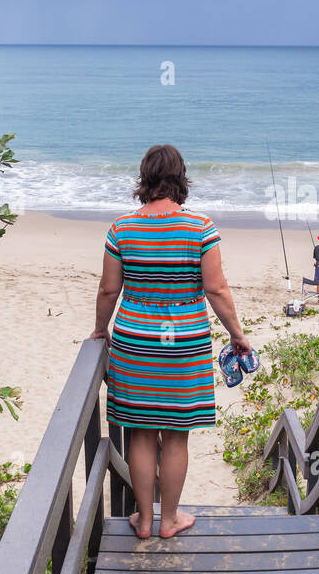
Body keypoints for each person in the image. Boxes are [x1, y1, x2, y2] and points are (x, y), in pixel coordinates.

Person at [89, 144, 251, 539]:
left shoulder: (122, 229)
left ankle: (143, 521)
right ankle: (169, 520)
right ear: (181, 179)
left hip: (134, 341)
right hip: (185, 344)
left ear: (144, 178)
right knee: (176, 436)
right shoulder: (200, 229)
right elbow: (216, 288)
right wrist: (236, 333)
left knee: (141, 433)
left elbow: (109, 290)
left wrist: (100, 329)